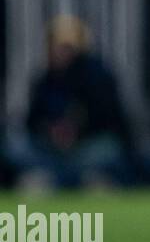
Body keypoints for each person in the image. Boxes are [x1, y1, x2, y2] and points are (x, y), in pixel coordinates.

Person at [11, 16, 131, 191]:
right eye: (55, 46)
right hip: (53, 151)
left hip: (89, 147)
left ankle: (63, 180)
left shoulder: (98, 77)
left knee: (105, 150)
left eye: (66, 47)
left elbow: (112, 122)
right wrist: (51, 132)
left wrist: (77, 132)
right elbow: (32, 122)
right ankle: (78, 180)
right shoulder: (44, 81)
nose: (60, 52)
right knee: (18, 148)